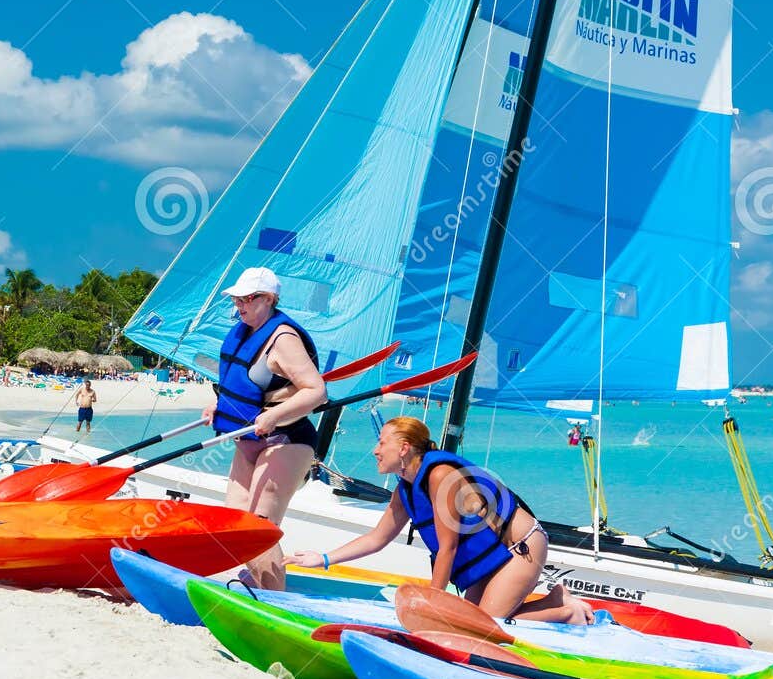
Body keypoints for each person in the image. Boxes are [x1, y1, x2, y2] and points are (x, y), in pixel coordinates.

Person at [287, 416, 593, 624]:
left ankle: (566, 612)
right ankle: (555, 599)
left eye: (382, 443)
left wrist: (433, 602)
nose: (375, 450)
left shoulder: (440, 476)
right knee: (464, 624)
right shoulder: (405, 489)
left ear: (404, 448)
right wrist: (324, 558)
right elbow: (377, 538)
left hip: (520, 548)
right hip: (494, 557)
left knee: (484, 626)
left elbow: (447, 548)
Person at [202, 266, 325, 590]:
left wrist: (274, 416)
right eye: (237, 299)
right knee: (237, 525)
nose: (239, 305)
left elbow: (317, 391)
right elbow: (240, 383)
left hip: (287, 438)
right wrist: (218, 407)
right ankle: (256, 582)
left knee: (259, 527)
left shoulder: (283, 339)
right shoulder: (242, 331)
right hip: (248, 440)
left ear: (268, 299)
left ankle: (276, 601)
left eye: (248, 298)